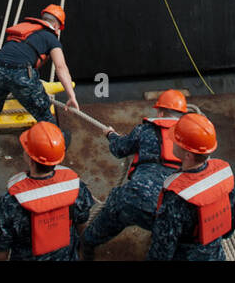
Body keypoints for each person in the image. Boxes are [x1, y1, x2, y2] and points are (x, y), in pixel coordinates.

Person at [80, 89, 187, 258]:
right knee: (172, 234)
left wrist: (111, 135)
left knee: (106, 221)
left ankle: (87, 244)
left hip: (133, 198)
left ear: (159, 111)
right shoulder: (189, 139)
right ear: (183, 115)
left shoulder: (144, 131)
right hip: (167, 209)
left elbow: (120, 149)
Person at [0, 4, 80, 157]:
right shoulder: (50, 37)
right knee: (42, 109)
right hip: (20, 74)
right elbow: (61, 68)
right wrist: (71, 95)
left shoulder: (24, 28)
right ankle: (57, 140)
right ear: (56, 25)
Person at [0, 122, 95, 261]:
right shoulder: (77, 189)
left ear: (30, 160)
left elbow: (0, 250)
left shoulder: (10, 204)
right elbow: (82, 225)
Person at [147, 114, 235, 261]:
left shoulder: (177, 196)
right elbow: (231, 224)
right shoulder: (224, 174)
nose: (171, 141)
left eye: (176, 141)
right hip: (215, 255)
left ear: (188, 155)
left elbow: (164, 247)